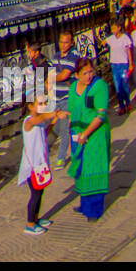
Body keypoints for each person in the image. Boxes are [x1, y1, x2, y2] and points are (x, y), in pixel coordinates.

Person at [67, 57, 111, 221]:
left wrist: (86, 134)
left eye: (91, 72)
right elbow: (72, 111)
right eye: (84, 73)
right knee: (81, 169)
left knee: (94, 168)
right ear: (77, 75)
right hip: (78, 134)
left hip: (95, 133)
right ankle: (84, 204)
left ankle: (94, 210)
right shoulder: (73, 88)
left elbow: (100, 115)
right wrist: (73, 135)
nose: (89, 76)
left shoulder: (99, 86)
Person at [19, 96, 68, 234]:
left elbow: (43, 132)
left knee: (40, 192)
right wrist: (55, 113)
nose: (43, 105)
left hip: (41, 163)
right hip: (31, 165)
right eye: (40, 103)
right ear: (30, 106)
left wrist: (54, 121)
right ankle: (29, 224)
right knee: (35, 194)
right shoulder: (29, 121)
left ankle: (35, 218)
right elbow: (39, 119)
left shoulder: (39, 122)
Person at [50, 30, 79, 169]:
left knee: (64, 128)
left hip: (67, 96)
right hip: (56, 96)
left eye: (66, 42)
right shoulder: (55, 57)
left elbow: (63, 76)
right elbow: (53, 74)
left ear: (71, 43)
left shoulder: (73, 57)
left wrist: (50, 79)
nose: (63, 45)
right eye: (61, 42)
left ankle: (61, 157)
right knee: (55, 127)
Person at [104, 21, 133, 114]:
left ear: (119, 28)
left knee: (124, 84)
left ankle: (128, 103)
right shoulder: (111, 39)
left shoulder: (125, 38)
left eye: (114, 28)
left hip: (123, 64)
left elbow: (128, 51)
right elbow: (103, 42)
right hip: (114, 64)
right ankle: (121, 106)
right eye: (112, 29)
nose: (113, 31)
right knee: (118, 86)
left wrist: (130, 63)